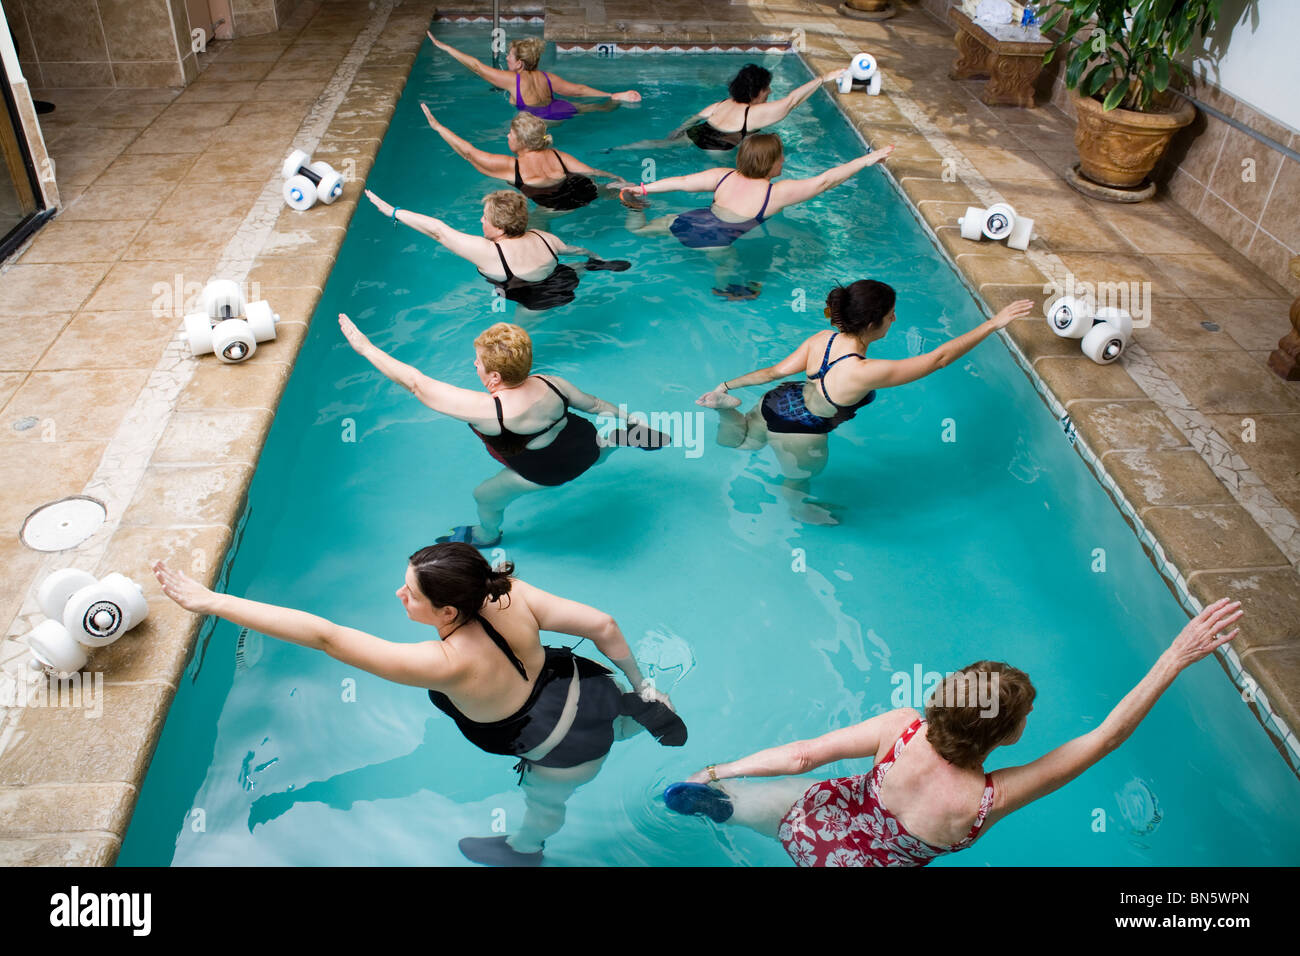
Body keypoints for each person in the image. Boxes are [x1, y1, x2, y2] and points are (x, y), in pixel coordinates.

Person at [151, 544, 688, 867]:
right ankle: (644, 709)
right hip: (594, 686)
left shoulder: (446, 662)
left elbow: (326, 638)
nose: (398, 596)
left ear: (449, 608)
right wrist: (642, 684)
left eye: (411, 592)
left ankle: (525, 851)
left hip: (560, 748)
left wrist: (213, 601)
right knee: (619, 708)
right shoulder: (508, 591)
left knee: (545, 804)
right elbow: (604, 626)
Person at [663, 598, 1242, 867]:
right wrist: (1172, 658)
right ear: (1007, 735)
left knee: (775, 801)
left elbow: (802, 756)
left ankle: (721, 799)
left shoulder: (903, 728)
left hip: (817, 820)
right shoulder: (986, 802)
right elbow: (1107, 738)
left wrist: (716, 766)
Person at [696, 283, 1035, 523]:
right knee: (796, 482)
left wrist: (727, 384)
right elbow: (939, 359)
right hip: (801, 432)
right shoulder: (864, 371)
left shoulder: (822, 339)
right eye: (891, 315)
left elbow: (773, 372)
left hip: (779, 399)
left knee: (740, 444)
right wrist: (993, 323)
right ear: (874, 324)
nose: (895, 320)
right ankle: (798, 510)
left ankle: (726, 406)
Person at [339, 317, 667, 546]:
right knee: (595, 454)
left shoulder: (488, 411)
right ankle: (626, 435)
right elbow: (595, 405)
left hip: (547, 470)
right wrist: (631, 419)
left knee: (484, 495)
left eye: (478, 362)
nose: (474, 366)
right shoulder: (553, 382)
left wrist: (366, 349)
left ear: (494, 377)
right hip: (584, 441)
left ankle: (487, 535)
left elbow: (416, 384)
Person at [618, 134, 894, 298]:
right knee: (728, 264)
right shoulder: (776, 193)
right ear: (772, 163)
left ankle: (633, 208)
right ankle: (725, 291)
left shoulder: (722, 175)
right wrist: (865, 160)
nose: (784, 161)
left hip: (687, 222)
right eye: (781, 158)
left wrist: (642, 188)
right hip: (716, 242)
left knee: (640, 231)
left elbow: (681, 181)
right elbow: (825, 181)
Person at [365, 188, 627, 311]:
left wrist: (393, 211)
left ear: (500, 228)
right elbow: (573, 248)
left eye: (485, 217)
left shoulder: (489, 252)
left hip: (534, 297)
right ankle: (592, 267)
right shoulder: (544, 236)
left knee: (517, 330)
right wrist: (594, 256)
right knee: (567, 269)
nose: (481, 220)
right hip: (558, 277)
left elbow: (439, 231)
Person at [422, 106, 621, 213]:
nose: (507, 136)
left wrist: (438, 127)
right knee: (605, 189)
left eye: (510, 134)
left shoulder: (511, 166)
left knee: (532, 228)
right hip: (584, 191)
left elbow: (469, 153)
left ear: (522, 142)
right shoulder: (558, 155)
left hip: (552, 205)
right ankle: (625, 196)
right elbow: (593, 172)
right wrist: (617, 179)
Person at [429, 33, 640, 119]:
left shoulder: (512, 79)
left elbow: (476, 66)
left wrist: (445, 47)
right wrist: (609, 92)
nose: (507, 58)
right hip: (562, 109)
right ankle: (616, 98)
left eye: (510, 56)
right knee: (595, 108)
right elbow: (579, 90)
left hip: (538, 119)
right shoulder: (547, 77)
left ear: (519, 63)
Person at [675, 63, 846, 151]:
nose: (770, 91)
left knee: (657, 145)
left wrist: (676, 133)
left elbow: (695, 118)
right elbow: (792, 101)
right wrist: (823, 78)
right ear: (756, 92)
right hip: (718, 150)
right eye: (767, 88)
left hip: (694, 135)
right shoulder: (754, 113)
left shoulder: (723, 103)